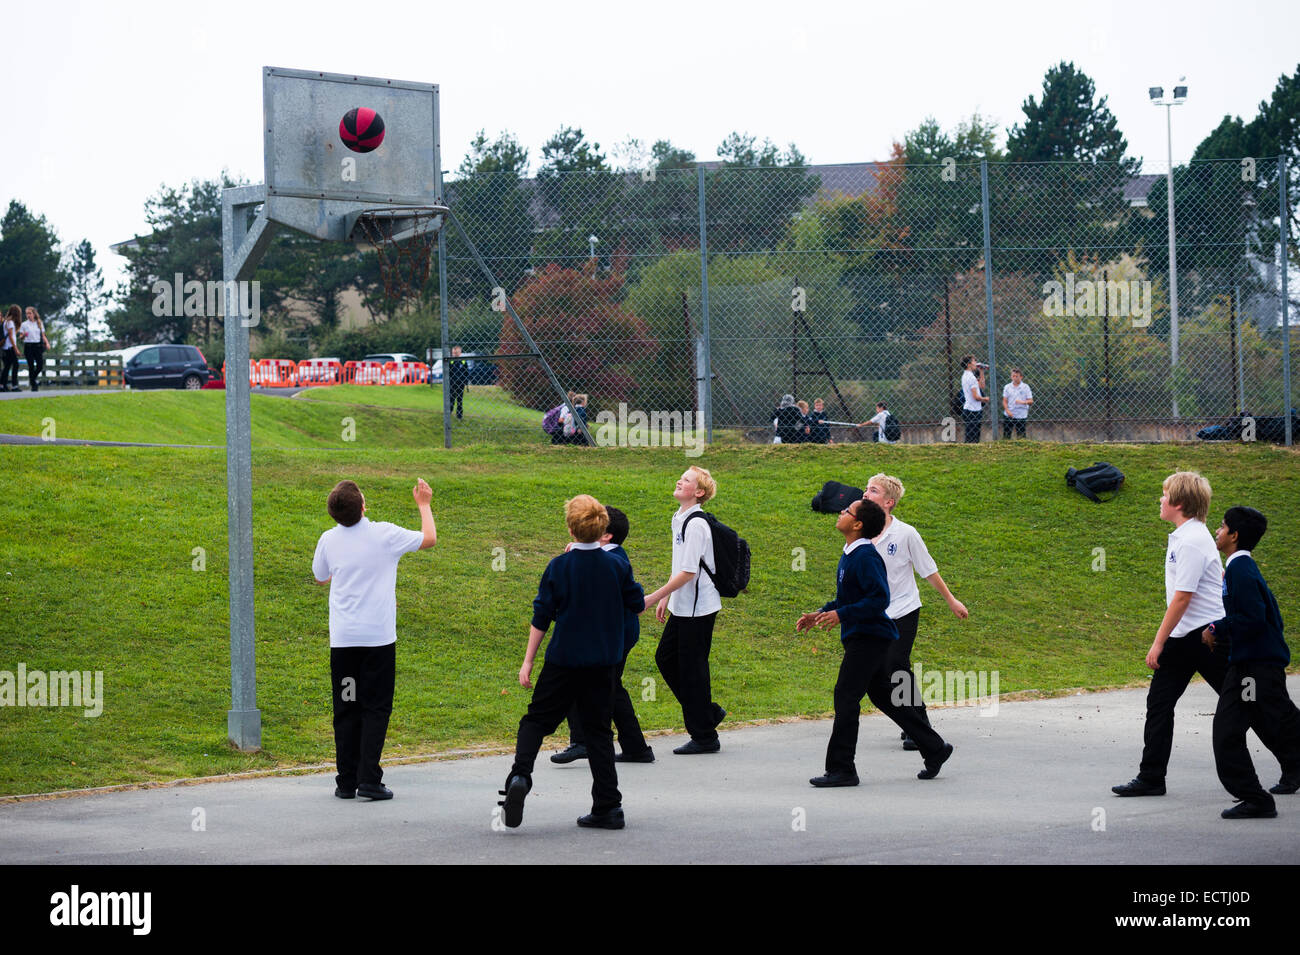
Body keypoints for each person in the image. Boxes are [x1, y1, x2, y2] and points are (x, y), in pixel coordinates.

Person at [498, 495, 646, 830]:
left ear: (570, 528)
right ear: (603, 528)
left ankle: (520, 775)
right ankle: (608, 806)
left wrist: (527, 662)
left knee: (535, 721)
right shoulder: (617, 565)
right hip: (603, 662)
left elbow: (542, 617)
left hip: (564, 659)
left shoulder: (559, 567)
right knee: (598, 732)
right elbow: (636, 603)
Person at [797, 497, 953, 787]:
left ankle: (843, 769)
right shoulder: (851, 552)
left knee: (845, 696)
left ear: (857, 524)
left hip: (870, 638)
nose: (841, 512)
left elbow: (880, 599)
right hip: (864, 636)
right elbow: (850, 599)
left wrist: (841, 614)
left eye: (847, 511)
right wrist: (821, 612)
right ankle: (934, 747)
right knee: (883, 696)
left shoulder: (866, 556)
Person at [312, 478, 437, 801]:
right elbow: (429, 539)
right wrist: (423, 505)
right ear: (363, 506)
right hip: (378, 641)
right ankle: (370, 778)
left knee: (347, 707)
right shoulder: (385, 534)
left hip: (343, 642)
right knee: (376, 707)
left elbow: (320, 576)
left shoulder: (328, 539)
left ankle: (346, 780)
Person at [1113, 471, 1228, 797]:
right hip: (1185, 637)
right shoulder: (1188, 536)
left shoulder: (1191, 539)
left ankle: (1292, 758)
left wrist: (1158, 642)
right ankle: (1151, 777)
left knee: (1244, 700)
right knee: (1160, 704)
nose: (1160, 501)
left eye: (1164, 496)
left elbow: (1182, 597)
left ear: (1178, 503)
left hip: (1205, 637)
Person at [1204, 506, 1300, 818]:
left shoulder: (1240, 570)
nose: (1217, 531)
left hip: (1252, 668)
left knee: (1229, 731)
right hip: (1255, 666)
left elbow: (1255, 617)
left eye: (1221, 527)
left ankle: (1255, 798)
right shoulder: (1243, 567)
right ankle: (1290, 773)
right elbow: (1271, 614)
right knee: (1274, 716)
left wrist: (1217, 628)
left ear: (1234, 535)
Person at [862, 473, 970, 750]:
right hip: (876, 614)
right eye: (865, 489)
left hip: (904, 609)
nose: (865, 494)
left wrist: (951, 600)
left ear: (889, 502)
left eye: (872, 490)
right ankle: (912, 722)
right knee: (883, 672)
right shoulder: (860, 534)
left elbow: (928, 570)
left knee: (896, 664)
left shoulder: (906, 533)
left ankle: (918, 727)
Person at [550, 506, 656, 765]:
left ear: (606, 535)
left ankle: (583, 742)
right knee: (611, 688)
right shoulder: (609, 554)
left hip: (612, 635)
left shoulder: (614, 559)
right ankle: (635, 747)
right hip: (613, 633)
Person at [644, 466, 727, 754]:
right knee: (666, 659)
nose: (680, 481)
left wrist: (654, 597)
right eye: (681, 477)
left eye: (687, 480)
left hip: (699, 607)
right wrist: (669, 596)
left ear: (699, 492)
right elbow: (679, 564)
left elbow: (689, 572)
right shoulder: (679, 518)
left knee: (693, 671)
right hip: (684, 605)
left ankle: (705, 736)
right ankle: (707, 712)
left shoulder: (696, 524)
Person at [20, 307, 50, 393]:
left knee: (40, 365)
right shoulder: (24, 324)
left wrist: (47, 343)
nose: (28, 315)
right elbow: (21, 337)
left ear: (34, 314)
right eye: (27, 313)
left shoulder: (39, 323)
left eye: (30, 313)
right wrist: (23, 335)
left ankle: (32, 379)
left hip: (37, 346)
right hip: (28, 346)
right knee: (31, 366)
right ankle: (34, 385)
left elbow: (43, 335)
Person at [959, 355, 988, 443]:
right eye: (974, 361)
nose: (976, 363)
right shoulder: (970, 377)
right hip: (972, 411)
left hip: (974, 409)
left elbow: (981, 386)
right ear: (968, 364)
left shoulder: (968, 375)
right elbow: (975, 396)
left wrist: (981, 372)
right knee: (972, 438)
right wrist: (985, 399)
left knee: (973, 436)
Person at [1001, 367, 1033, 439]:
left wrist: (1023, 402)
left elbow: (1031, 401)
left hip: (1021, 415)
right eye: (1013, 376)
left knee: (1021, 436)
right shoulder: (1007, 387)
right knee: (1006, 436)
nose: (1014, 378)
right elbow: (1004, 400)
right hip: (1009, 414)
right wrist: (1007, 410)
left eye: (1016, 376)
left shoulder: (1026, 387)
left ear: (1021, 377)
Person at [447, 345, 470, 419]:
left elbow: (466, 372)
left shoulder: (463, 361)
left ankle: (459, 415)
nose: (455, 354)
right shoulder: (451, 361)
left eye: (456, 352)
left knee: (460, 399)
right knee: (451, 398)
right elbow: (448, 372)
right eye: (454, 353)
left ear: (460, 352)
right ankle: (449, 412)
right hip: (452, 383)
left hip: (461, 383)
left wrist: (465, 381)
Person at [1, 306, 20, 392]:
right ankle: (14, 385)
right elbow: (11, 337)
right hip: (10, 347)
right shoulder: (10, 322)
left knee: (7, 366)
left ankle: (2, 385)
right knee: (15, 365)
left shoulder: (6, 321)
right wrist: (15, 348)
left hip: (6, 347)